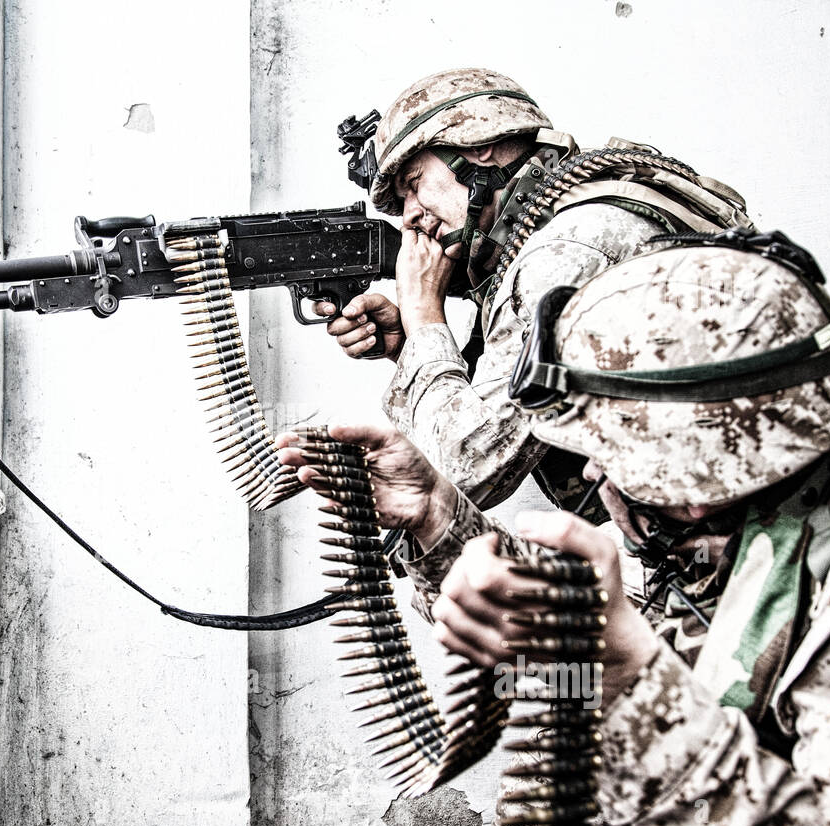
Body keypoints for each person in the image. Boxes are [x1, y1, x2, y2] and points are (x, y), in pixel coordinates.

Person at [280, 231, 830, 826]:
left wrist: (631, 690)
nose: (595, 474)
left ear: (697, 462)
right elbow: (617, 645)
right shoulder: (754, 507)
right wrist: (435, 515)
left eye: (612, 452)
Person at [321, 68, 751, 516]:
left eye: (414, 185)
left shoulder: (564, 251)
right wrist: (412, 346)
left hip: (730, 546)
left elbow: (466, 469)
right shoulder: (576, 217)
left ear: (478, 147)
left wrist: (424, 315)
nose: (409, 217)